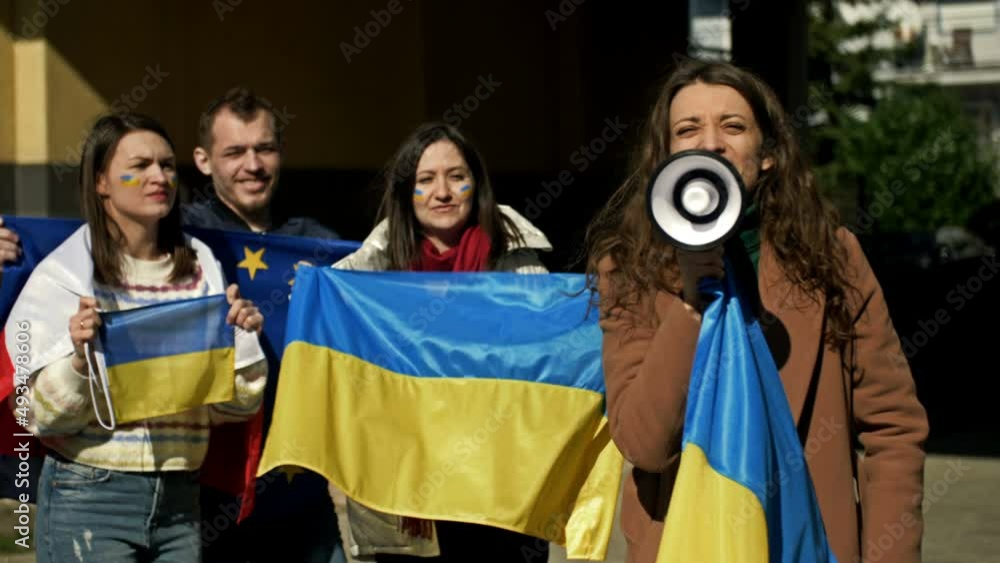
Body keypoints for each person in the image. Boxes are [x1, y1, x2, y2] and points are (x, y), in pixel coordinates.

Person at [583, 60, 929, 563]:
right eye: (688, 130)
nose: (711, 144)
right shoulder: (629, 269)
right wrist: (689, 304)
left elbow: (893, 427)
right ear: (666, 157)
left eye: (733, 126)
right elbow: (643, 442)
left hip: (808, 544)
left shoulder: (833, 257)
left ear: (766, 155)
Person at [16, 113, 267, 562]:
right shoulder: (65, 275)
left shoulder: (201, 264)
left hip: (181, 505)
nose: (160, 177)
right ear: (101, 183)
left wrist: (244, 344)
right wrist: (76, 363)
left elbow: (233, 407)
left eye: (168, 165)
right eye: (141, 165)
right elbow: (37, 417)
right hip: (90, 499)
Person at [331, 122, 553, 562]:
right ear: (406, 193)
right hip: (404, 492)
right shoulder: (367, 273)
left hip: (497, 489)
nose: (443, 192)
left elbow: (547, 356)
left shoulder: (517, 262)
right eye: (425, 180)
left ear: (476, 184)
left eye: (456, 176)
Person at [189, 86, 346, 563]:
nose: (252, 165)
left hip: (303, 492)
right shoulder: (173, 238)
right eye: (234, 151)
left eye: (265, 149)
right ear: (202, 160)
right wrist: (16, 255)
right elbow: (94, 264)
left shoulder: (321, 246)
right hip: (201, 496)